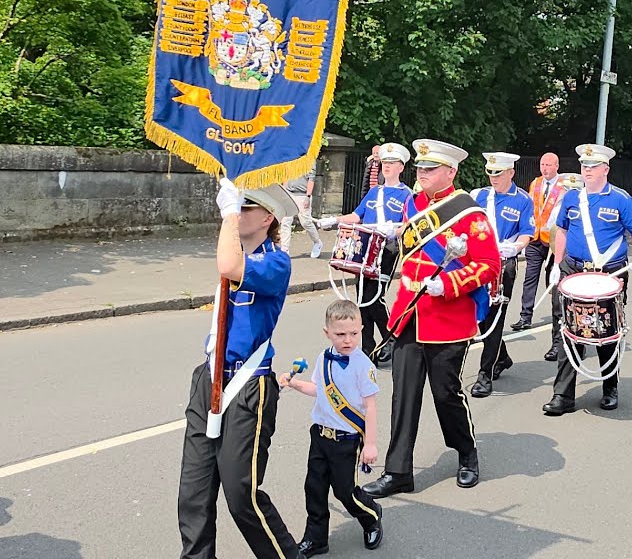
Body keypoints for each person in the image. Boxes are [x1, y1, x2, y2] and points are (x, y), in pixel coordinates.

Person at [362, 139, 501, 498]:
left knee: (446, 394)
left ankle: (467, 453)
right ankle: (397, 472)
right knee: (403, 395)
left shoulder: (470, 214)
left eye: (430, 169)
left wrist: (448, 284)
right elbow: (409, 255)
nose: (422, 174)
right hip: (410, 312)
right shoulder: (413, 204)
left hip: (448, 317)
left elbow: (489, 265)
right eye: (420, 169)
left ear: (450, 172)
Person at [178, 180, 301, 559]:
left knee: (240, 495)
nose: (236, 213)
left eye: (246, 209)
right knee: (193, 494)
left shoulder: (276, 262)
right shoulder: (231, 253)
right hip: (209, 377)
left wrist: (229, 212)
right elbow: (227, 260)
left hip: (249, 385)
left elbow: (231, 265)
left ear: (267, 217)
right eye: (237, 206)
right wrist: (230, 212)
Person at [542, 143, 632, 416]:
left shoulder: (620, 199)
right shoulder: (571, 197)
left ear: (606, 169)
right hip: (574, 269)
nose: (587, 170)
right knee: (569, 330)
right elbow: (562, 232)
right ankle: (563, 395)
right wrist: (557, 264)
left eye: (593, 166)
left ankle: (610, 387)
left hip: (608, 273)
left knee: (606, 331)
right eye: (584, 166)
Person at [278, 300, 383, 557]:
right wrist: (294, 384)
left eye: (353, 333)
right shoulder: (323, 358)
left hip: (346, 439)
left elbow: (370, 407)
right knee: (314, 488)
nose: (348, 340)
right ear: (327, 333)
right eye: (340, 334)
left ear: (361, 328)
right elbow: (319, 390)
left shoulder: (363, 365)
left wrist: (369, 443)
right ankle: (316, 538)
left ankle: (371, 516)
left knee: (345, 492)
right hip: (320, 435)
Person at [317, 143, 414, 363]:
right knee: (362, 300)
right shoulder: (374, 192)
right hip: (364, 248)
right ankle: (369, 348)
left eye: (391, 163)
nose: (386, 167)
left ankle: (391, 337)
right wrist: (334, 220)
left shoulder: (408, 195)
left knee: (375, 297)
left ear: (401, 167)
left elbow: (411, 225)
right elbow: (357, 215)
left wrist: (395, 230)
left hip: (387, 248)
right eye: (384, 163)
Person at [468, 152, 535, 397]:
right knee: (479, 317)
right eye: (490, 173)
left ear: (510, 172)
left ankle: (484, 374)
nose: (493, 177)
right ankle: (502, 356)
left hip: (503, 264)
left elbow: (528, 231)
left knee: (495, 317)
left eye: (498, 173)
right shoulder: (479, 196)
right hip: (477, 262)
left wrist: (516, 247)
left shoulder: (523, 200)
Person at [513, 152, 565, 335]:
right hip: (535, 238)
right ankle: (525, 316)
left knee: (553, 279)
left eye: (549, 165)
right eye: (543, 164)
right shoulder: (535, 183)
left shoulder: (564, 185)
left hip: (553, 241)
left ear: (557, 166)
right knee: (530, 277)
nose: (545, 168)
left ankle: (558, 314)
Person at [281, 169, 323, 258]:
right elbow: (286, 175)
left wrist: (307, 196)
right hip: (289, 193)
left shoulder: (309, 160)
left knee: (306, 222)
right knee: (285, 221)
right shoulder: (291, 158)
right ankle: (284, 249)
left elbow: (311, 178)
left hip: (302, 195)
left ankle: (317, 242)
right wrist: (284, 191)